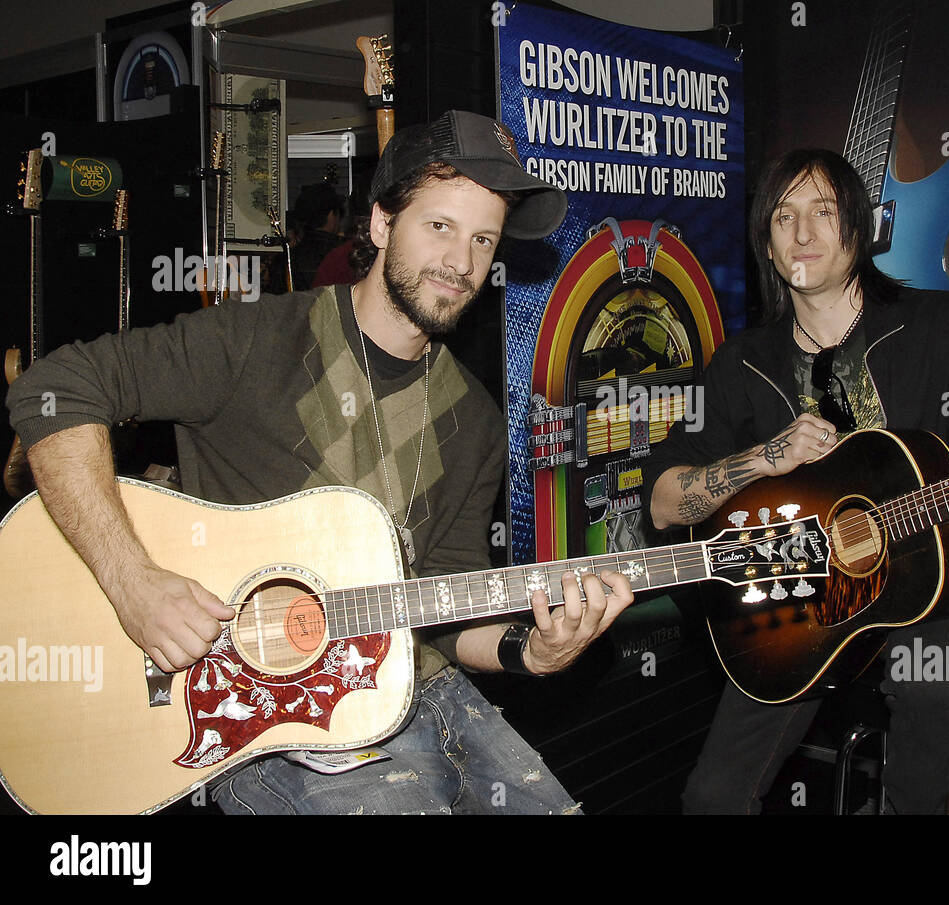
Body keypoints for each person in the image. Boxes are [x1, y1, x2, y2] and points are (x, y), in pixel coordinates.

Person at [6, 110, 634, 815]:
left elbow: (445, 615)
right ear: (379, 225)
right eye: (439, 226)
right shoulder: (256, 342)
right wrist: (132, 580)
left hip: (415, 695)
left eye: (482, 238)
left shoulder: (477, 422)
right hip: (258, 717)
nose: (462, 262)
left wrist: (532, 652)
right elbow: (53, 390)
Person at [642, 148, 949, 814]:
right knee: (711, 797)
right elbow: (664, 504)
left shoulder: (943, 327)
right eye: (784, 218)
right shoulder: (740, 363)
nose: (803, 233)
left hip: (928, 591)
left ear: (858, 232)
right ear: (770, 251)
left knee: (932, 684)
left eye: (823, 212)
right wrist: (762, 458)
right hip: (795, 606)